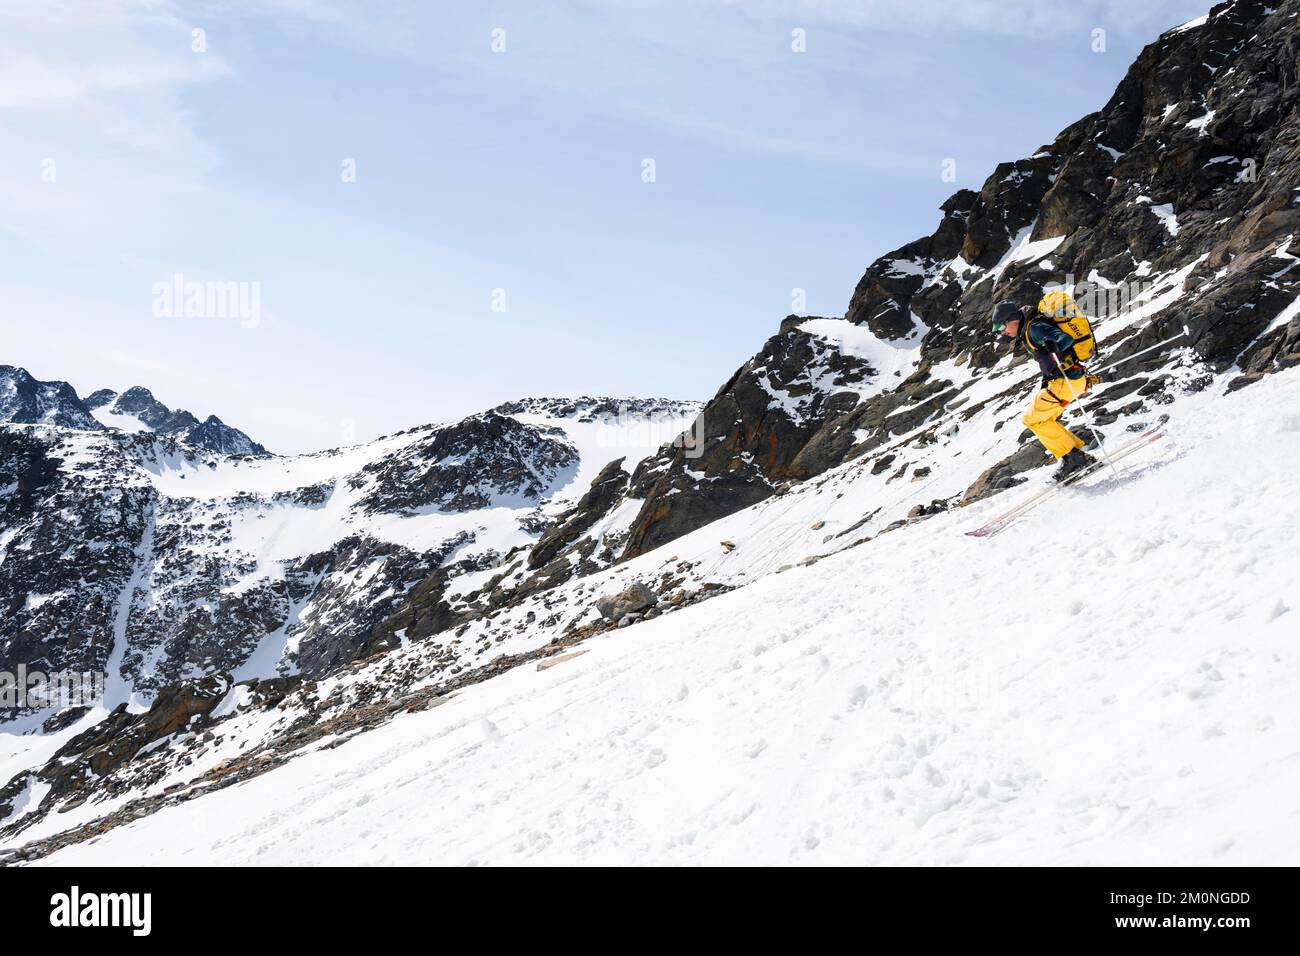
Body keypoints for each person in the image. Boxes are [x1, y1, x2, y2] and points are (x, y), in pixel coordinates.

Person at [991, 292, 1102, 482]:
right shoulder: (1028, 329)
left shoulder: (1034, 328)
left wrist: (1054, 344)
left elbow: (1065, 339)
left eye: (1001, 327)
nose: (1002, 332)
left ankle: (1074, 458)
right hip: (1069, 379)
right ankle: (1076, 456)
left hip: (1066, 379)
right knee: (1044, 418)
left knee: (1032, 419)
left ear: (1012, 320)